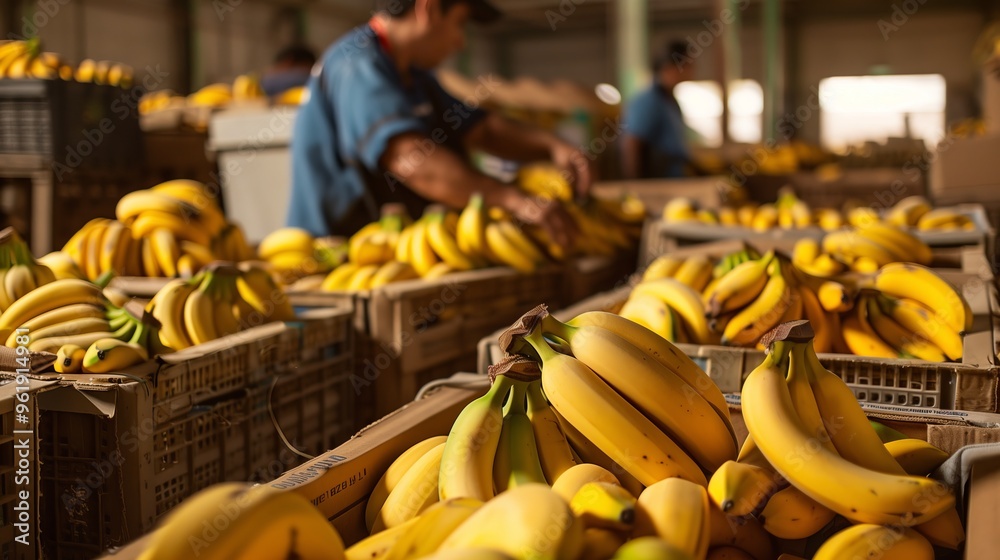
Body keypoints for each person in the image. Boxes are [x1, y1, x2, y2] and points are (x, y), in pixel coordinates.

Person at [287, 0, 591, 248]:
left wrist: (552, 146)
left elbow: (482, 129)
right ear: (429, 9)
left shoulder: (413, 74)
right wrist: (513, 200)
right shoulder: (358, 65)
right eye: (460, 25)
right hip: (337, 258)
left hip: (392, 247)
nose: (460, 43)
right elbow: (410, 159)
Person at [621, 41, 695, 179]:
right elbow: (632, 144)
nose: (692, 70)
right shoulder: (648, 101)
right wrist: (635, 187)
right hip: (661, 184)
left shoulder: (670, 101)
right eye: (687, 65)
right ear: (670, 67)